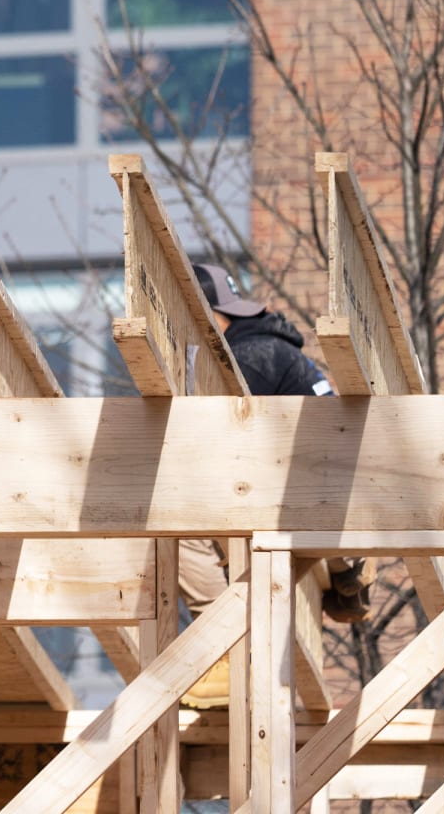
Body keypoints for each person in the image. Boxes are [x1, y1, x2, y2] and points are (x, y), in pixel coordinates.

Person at [180, 263, 368, 708]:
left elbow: (219, 445)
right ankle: (348, 567)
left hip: (312, 495)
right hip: (331, 488)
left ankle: (223, 650)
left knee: (179, 523)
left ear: (212, 317)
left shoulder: (248, 358)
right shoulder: (274, 350)